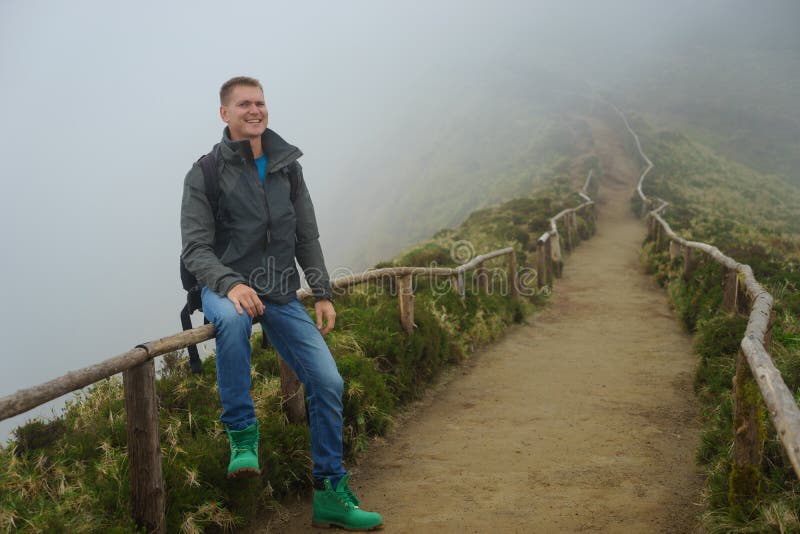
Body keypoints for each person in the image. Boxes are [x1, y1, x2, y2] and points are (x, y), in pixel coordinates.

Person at [180, 76, 383, 531]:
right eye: (244, 104)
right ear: (224, 114)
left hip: (279, 291)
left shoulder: (286, 166)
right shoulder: (205, 173)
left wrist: (323, 292)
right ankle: (242, 437)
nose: (256, 110)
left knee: (328, 382)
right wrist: (230, 284)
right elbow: (195, 249)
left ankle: (330, 493)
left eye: (261, 102)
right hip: (223, 287)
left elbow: (305, 235)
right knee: (232, 323)